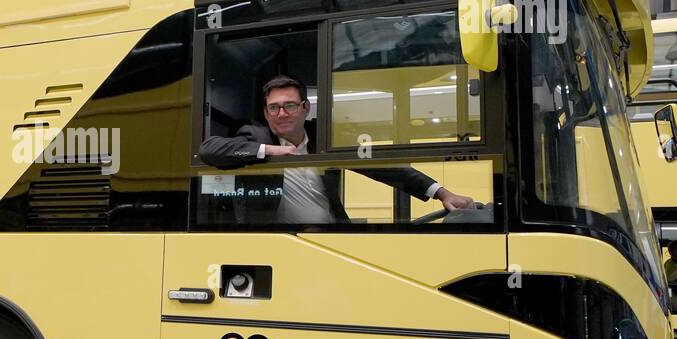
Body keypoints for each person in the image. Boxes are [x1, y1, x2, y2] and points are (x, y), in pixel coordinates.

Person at [198, 74, 476, 223]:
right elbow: (210, 150)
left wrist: (441, 192)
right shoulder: (255, 135)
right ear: (266, 112)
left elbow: (380, 165)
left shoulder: (324, 139)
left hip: (331, 235)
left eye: (290, 105)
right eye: (274, 107)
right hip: (279, 243)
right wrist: (269, 152)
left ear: (305, 108)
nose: (281, 113)